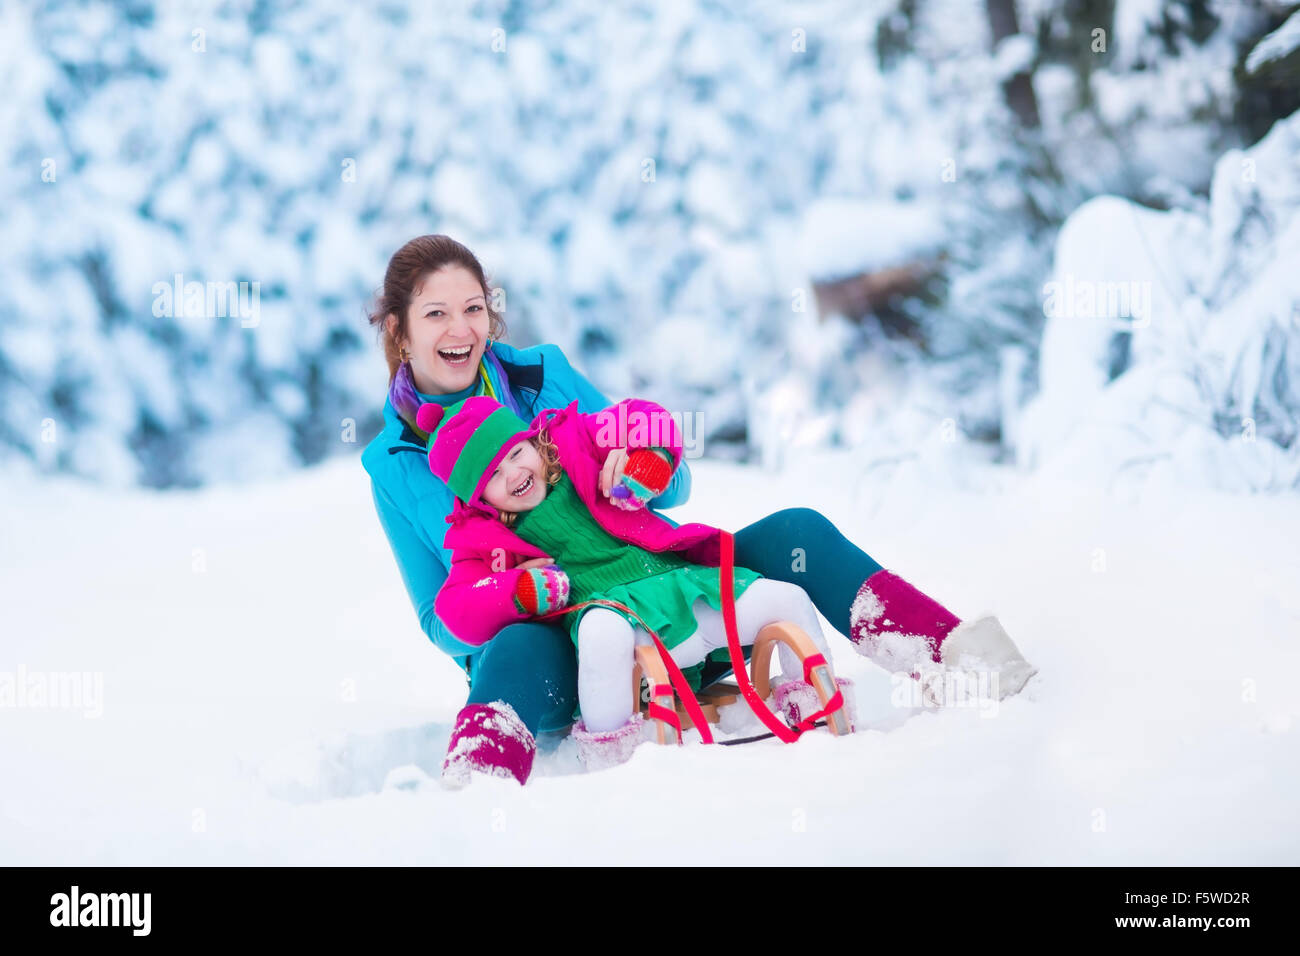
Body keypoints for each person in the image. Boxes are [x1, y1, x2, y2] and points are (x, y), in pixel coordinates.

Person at [361, 234, 1036, 786]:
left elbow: (670, 471)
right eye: (435, 314)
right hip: (558, 646)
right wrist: (523, 596)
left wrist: (642, 471)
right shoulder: (393, 463)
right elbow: (438, 617)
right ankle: (470, 801)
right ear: (398, 330)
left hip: (662, 590)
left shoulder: (542, 376)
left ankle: (961, 664)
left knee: (796, 532)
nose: (461, 329)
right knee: (507, 650)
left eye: (473, 308)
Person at [419, 393, 855, 783]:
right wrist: (519, 590)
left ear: (531, 441)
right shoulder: (482, 540)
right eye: (494, 475)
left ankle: (814, 707)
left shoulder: (577, 445)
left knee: (785, 599)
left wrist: (652, 459)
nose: (514, 472)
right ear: (479, 500)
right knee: (601, 635)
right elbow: (456, 608)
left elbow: (645, 419)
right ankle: (611, 758)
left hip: (679, 586)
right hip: (611, 612)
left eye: (515, 452)